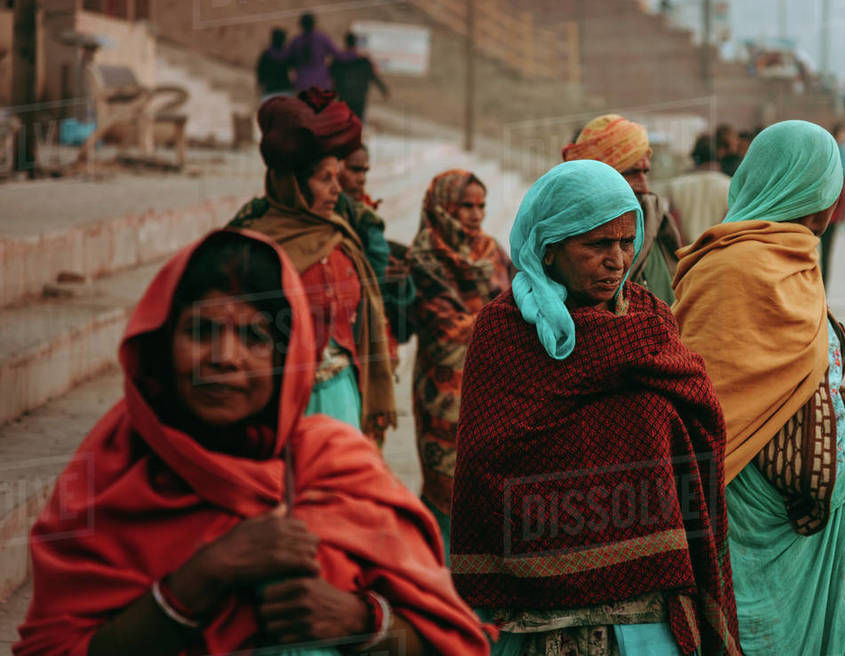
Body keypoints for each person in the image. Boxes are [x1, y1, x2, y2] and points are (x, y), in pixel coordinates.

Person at [14, 230, 491, 656]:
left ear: (287, 356)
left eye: (254, 337)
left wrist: (361, 621)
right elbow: (52, 646)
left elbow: (453, 641)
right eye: (201, 331)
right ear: (162, 345)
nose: (224, 357)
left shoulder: (339, 467)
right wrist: (199, 579)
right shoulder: (112, 471)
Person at [450, 160, 740, 656]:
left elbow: (699, 420)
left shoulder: (649, 318)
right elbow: (486, 461)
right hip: (539, 613)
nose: (617, 260)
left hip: (648, 604)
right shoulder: (504, 331)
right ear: (549, 247)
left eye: (626, 242)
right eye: (597, 245)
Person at [673, 120, 845, 656]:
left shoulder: (792, 254)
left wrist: (835, 395)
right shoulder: (732, 265)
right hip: (745, 497)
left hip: (805, 510)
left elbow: (788, 364)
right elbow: (706, 393)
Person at [230, 92, 395, 441]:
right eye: (324, 179)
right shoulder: (256, 248)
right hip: (284, 403)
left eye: (338, 177)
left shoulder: (341, 237)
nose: (337, 190)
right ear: (295, 184)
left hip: (343, 394)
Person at [406, 169, 514, 550]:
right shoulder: (424, 257)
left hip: (497, 390)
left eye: (481, 206)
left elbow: (523, 298)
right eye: (466, 206)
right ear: (444, 207)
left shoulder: (492, 251)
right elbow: (446, 328)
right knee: (446, 491)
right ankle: (441, 573)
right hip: (444, 394)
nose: (475, 214)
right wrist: (503, 322)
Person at [562, 113, 683, 304]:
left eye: (645, 172)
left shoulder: (656, 220)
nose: (644, 187)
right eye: (631, 173)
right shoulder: (562, 235)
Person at [662, 133, 732, 244]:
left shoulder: (676, 186)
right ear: (718, 155)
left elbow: (672, 224)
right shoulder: (729, 185)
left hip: (685, 250)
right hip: (717, 248)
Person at [820, 122, 845, 286]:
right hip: (827, 217)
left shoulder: (842, 150)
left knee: (823, 254)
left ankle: (822, 288)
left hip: (830, 217)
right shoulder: (835, 151)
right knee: (821, 254)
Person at [331, 32, 390, 121]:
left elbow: (330, 76)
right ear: (356, 43)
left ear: (346, 42)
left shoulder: (339, 61)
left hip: (344, 96)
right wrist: (384, 90)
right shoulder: (364, 61)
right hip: (359, 98)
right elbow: (373, 77)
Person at [285, 12, 340, 92]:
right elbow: (337, 55)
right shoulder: (322, 38)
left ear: (301, 25)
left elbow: (287, 60)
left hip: (302, 82)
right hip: (321, 81)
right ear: (314, 23)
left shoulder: (296, 41)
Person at [256, 27, 293, 99]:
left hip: (271, 88)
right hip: (284, 87)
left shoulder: (266, 54)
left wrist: (260, 85)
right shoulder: (287, 54)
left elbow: (260, 72)